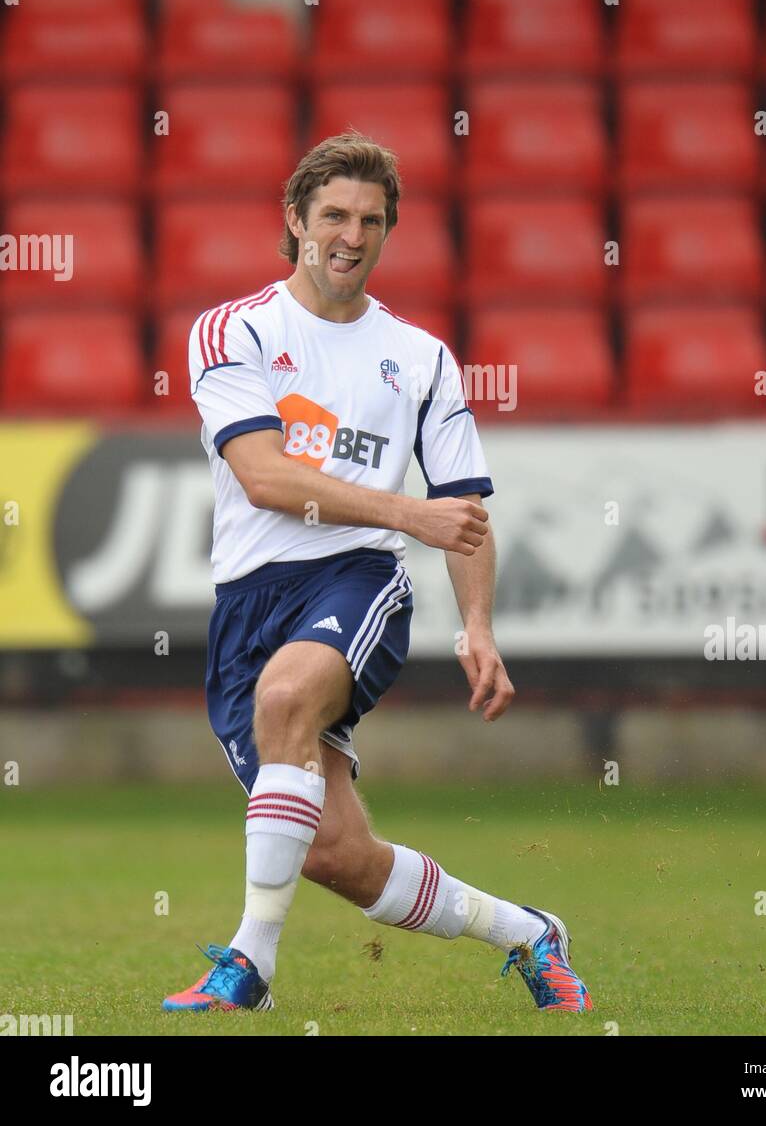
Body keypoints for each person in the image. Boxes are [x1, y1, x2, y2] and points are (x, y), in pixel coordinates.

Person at [162, 131, 591, 1015]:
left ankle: (250, 967)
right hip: (249, 603)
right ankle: (529, 932)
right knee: (335, 855)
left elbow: (464, 513)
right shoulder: (233, 330)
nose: (350, 237)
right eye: (333, 216)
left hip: (356, 580)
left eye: (370, 220)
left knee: (286, 701)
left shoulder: (423, 358)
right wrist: (407, 508)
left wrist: (477, 627)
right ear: (295, 220)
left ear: (389, 230)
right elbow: (264, 477)